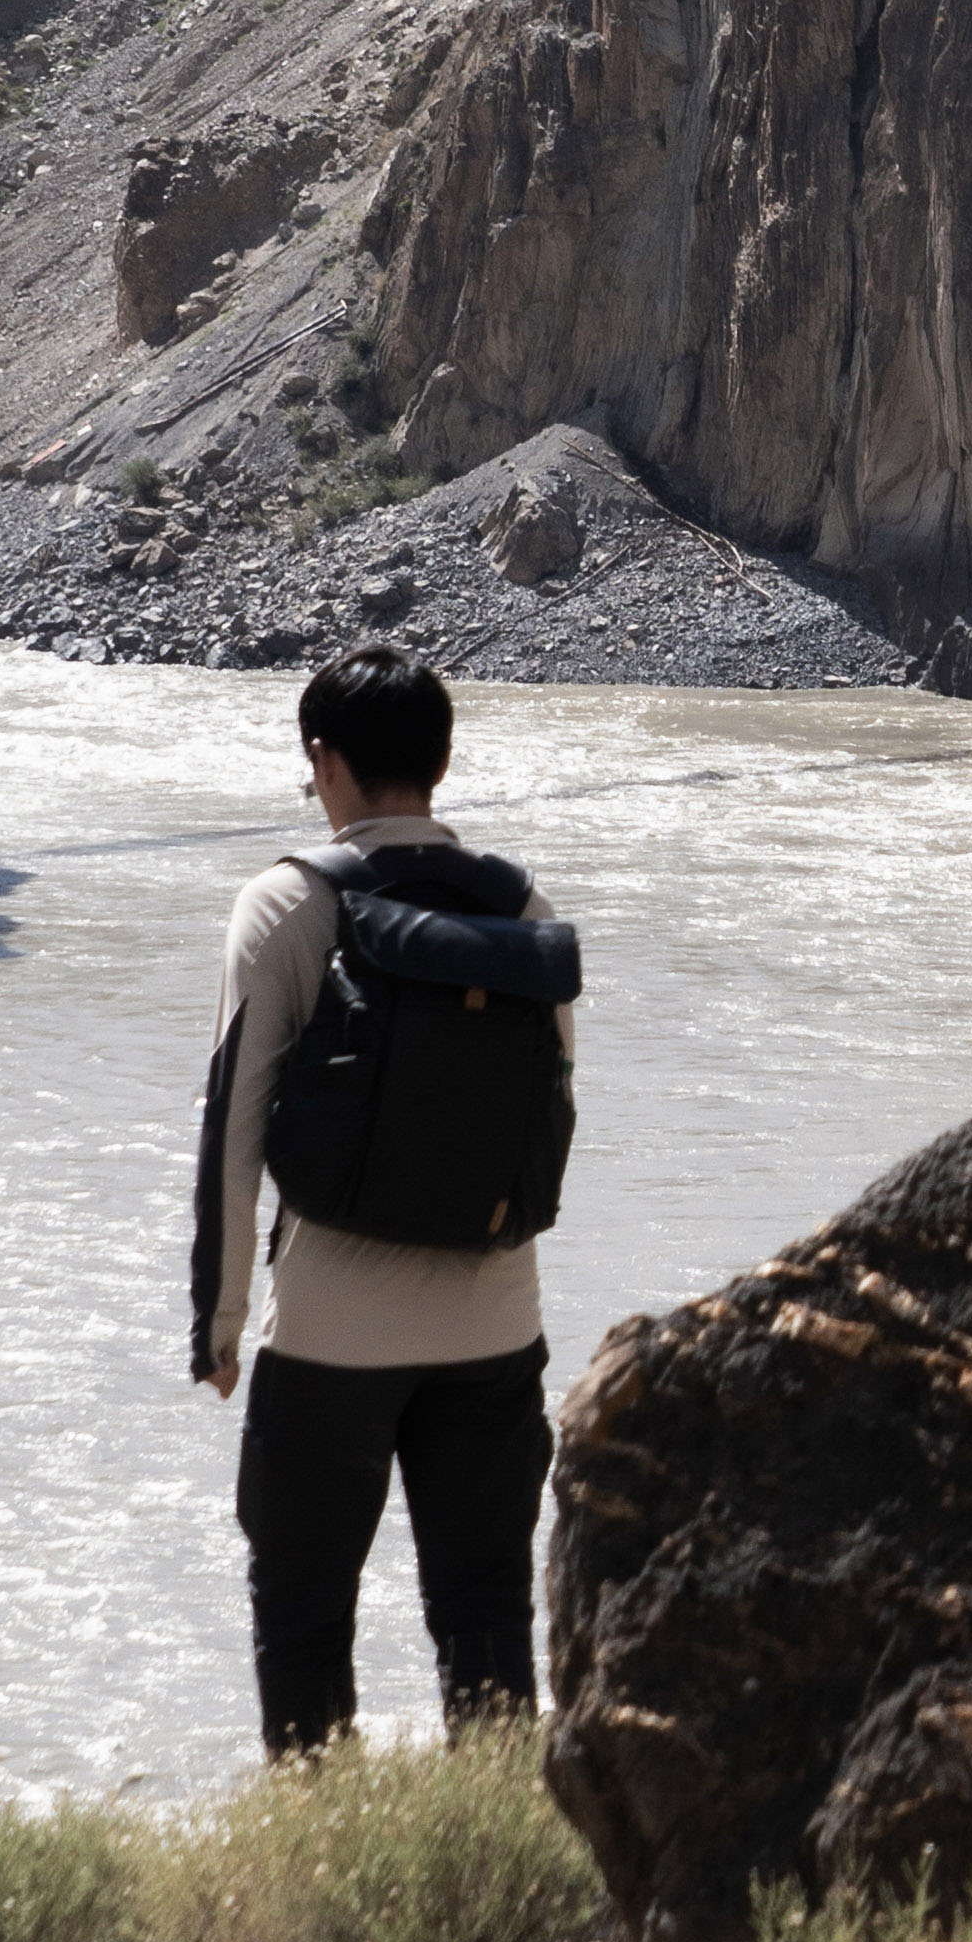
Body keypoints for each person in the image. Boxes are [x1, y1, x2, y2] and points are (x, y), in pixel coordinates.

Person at [192, 644, 586, 1761]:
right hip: (496, 1326)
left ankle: (320, 1837)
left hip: (329, 1338)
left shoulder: (286, 905)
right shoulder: (521, 907)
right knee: (486, 1617)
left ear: (325, 762)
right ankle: (498, 1830)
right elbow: (551, 1113)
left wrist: (220, 1323)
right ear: (441, 763)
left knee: (304, 1619)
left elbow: (233, 1130)